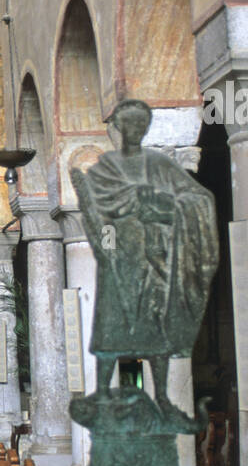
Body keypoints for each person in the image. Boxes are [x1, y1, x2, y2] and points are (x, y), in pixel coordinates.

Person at [70, 99, 218, 415]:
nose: (135, 130)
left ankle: (162, 397)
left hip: (152, 253)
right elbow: (95, 206)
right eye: (129, 125)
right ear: (119, 128)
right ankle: (105, 392)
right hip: (118, 254)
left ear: (147, 128)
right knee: (110, 325)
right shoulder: (106, 167)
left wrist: (163, 203)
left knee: (154, 327)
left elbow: (195, 198)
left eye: (141, 125)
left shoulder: (160, 164)